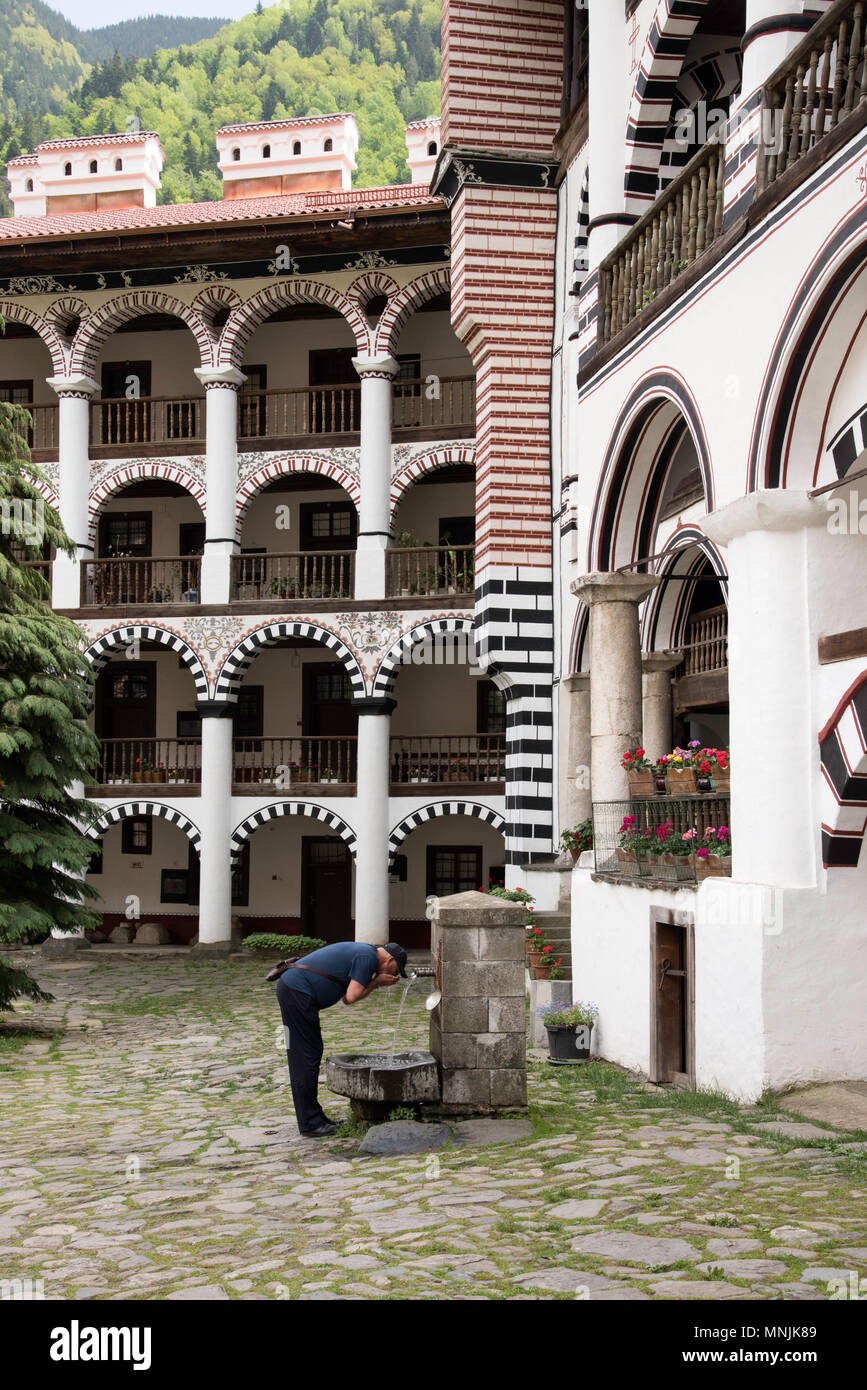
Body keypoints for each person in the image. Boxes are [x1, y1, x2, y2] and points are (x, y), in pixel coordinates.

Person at [274, 940, 408, 1137]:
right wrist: (377, 982)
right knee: (305, 1056)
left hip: (295, 990)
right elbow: (353, 997)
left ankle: (314, 1117)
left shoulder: (365, 954)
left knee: (308, 1054)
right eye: (397, 969)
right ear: (389, 959)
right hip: (297, 991)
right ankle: (310, 1123)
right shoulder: (367, 957)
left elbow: (346, 998)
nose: (395, 975)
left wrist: (374, 982)